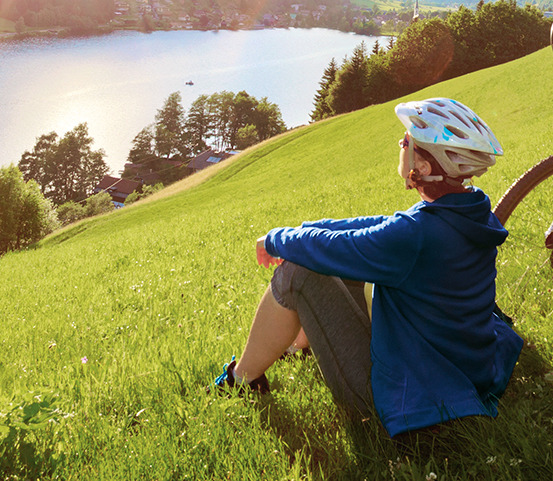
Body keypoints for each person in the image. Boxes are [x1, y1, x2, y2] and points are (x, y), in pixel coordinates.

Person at [214, 97, 524, 438]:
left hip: (409, 395)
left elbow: (348, 246)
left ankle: (240, 380)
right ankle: (296, 345)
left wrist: (275, 240)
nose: (400, 144)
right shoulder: (467, 210)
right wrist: (302, 229)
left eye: (406, 141)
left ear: (423, 167)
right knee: (332, 261)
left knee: (296, 272)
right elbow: (375, 227)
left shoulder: (415, 235)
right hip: (460, 366)